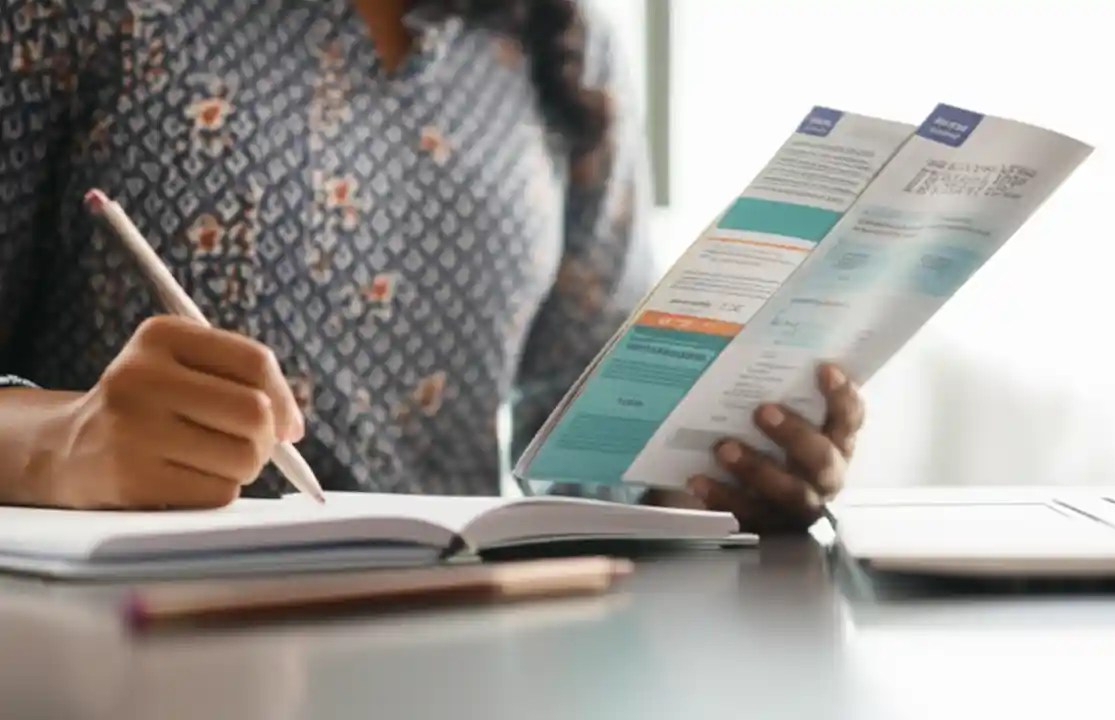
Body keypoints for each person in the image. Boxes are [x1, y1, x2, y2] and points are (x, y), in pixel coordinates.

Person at [0, 0, 862, 532]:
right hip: (132, 652)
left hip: (473, 641)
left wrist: (722, 489)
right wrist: (67, 446)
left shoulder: (559, 42)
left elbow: (595, 469)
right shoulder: (70, 14)